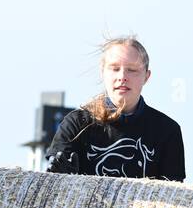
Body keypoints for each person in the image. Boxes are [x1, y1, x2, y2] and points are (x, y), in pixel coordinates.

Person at [46, 36, 185, 180]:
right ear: (103, 72)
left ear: (147, 76)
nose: (122, 76)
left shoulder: (168, 130)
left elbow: (174, 193)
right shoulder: (76, 123)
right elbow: (53, 183)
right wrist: (60, 175)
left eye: (132, 70)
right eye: (115, 68)